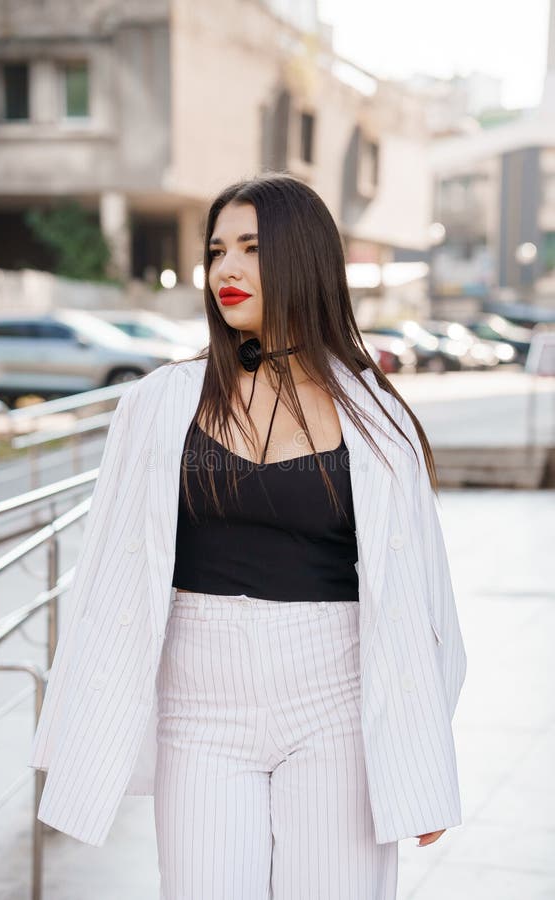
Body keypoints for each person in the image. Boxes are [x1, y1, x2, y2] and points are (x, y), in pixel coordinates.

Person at [29, 174, 467, 900]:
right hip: (199, 704)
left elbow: (426, 601)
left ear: (303, 259)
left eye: (251, 248)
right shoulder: (161, 401)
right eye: (216, 250)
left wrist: (422, 754)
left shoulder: (378, 420)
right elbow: (108, 569)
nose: (225, 269)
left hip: (338, 701)